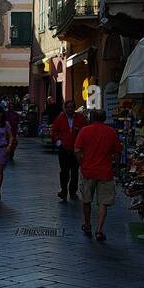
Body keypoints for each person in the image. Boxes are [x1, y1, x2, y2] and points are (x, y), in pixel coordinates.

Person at [75, 109, 122, 241]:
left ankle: (88, 224)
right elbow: (117, 152)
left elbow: (77, 150)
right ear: (105, 118)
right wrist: (116, 168)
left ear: (91, 118)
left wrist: (82, 163)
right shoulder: (111, 132)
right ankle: (99, 230)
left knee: (86, 200)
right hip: (105, 171)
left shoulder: (84, 131)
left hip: (88, 171)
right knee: (103, 202)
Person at [51, 98, 87, 202]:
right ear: (65, 108)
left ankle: (73, 191)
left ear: (74, 108)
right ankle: (63, 191)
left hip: (76, 149)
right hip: (64, 149)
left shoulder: (80, 118)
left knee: (75, 171)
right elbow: (54, 130)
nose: (69, 109)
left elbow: (84, 131)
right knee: (64, 171)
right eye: (67, 107)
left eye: (71, 107)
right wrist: (58, 141)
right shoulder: (60, 118)